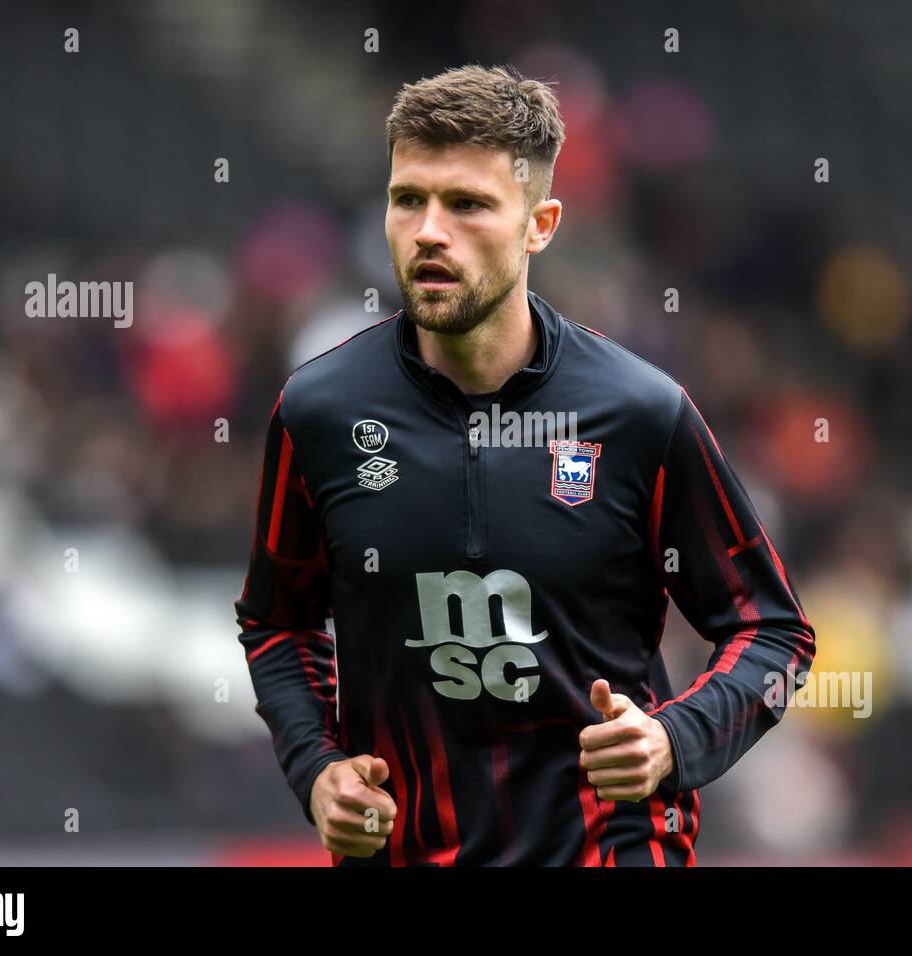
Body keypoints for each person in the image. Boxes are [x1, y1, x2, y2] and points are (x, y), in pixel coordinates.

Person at [234, 63, 815, 866]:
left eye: (468, 204)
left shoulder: (641, 414)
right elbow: (277, 621)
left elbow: (774, 632)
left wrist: (673, 741)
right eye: (409, 200)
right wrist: (318, 768)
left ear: (539, 224)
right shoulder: (319, 411)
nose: (430, 230)